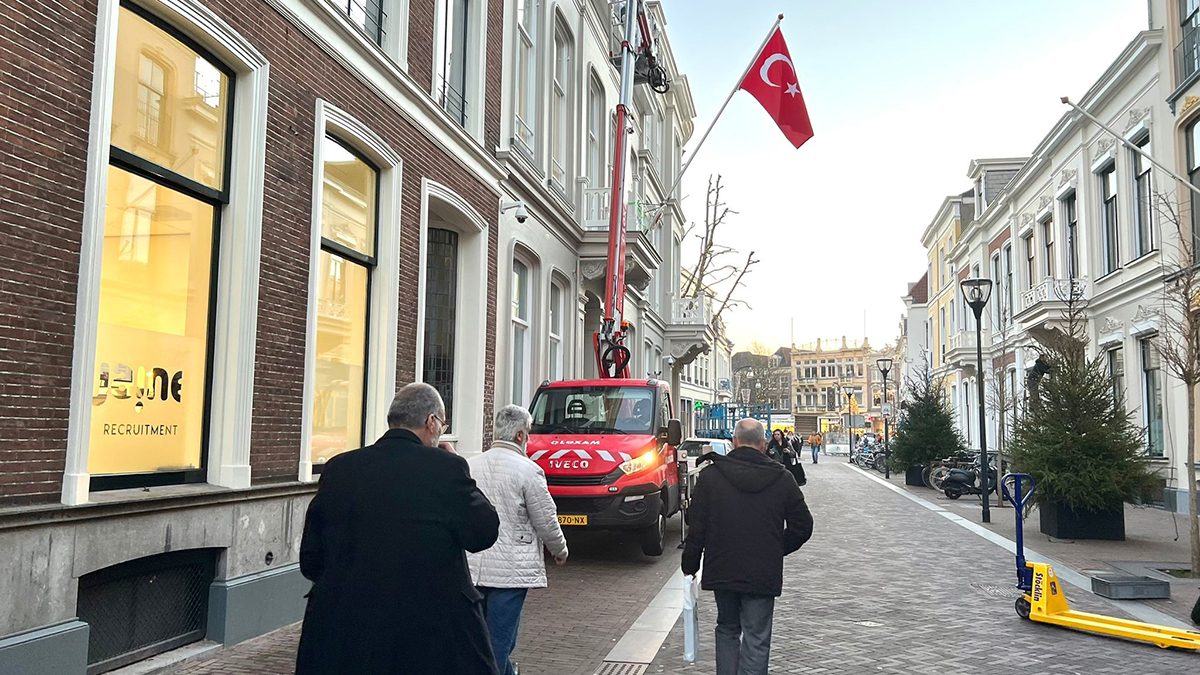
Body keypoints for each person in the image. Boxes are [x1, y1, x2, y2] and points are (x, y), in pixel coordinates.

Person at [296, 383, 501, 675]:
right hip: (428, 634)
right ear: (431, 422)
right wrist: (457, 466)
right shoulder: (445, 468)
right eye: (442, 425)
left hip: (345, 632)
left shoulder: (340, 468)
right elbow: (483, 533)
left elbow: (311, 558)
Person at [682, 418, 814, 675]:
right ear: (763, 444)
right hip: (762, 570)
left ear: (734, 442)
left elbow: (697, 526)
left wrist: (690, 564)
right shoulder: (782, 478)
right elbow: (803, 526)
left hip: (723, 567)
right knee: (757, 636)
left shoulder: (711, 476)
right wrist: (776, 548)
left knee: (727, 629)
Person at [468, 405, 570, 675]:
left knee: (481, 639)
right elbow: (545, 518)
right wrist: (559, 550)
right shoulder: (529, 471)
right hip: (510, 572)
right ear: (520, 435)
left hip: (474, 568)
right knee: (500, 640)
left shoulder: (470, 466)